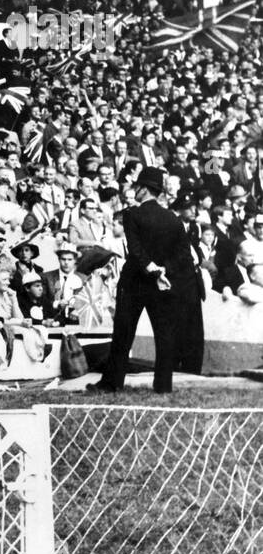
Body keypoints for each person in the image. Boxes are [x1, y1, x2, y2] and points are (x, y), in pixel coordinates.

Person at [91, 167, 204, 394]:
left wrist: (152, 268)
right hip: (161, 284)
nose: (135, 191)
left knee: (123, 333)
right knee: (164, 335)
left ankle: (112, 382)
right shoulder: (172, 218)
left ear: (143, 189)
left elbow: (135, 250)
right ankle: (163, 385)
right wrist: (164, 270)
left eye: (137, 187)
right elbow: (184, 253)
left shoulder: (133, 214)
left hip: (135, 282)